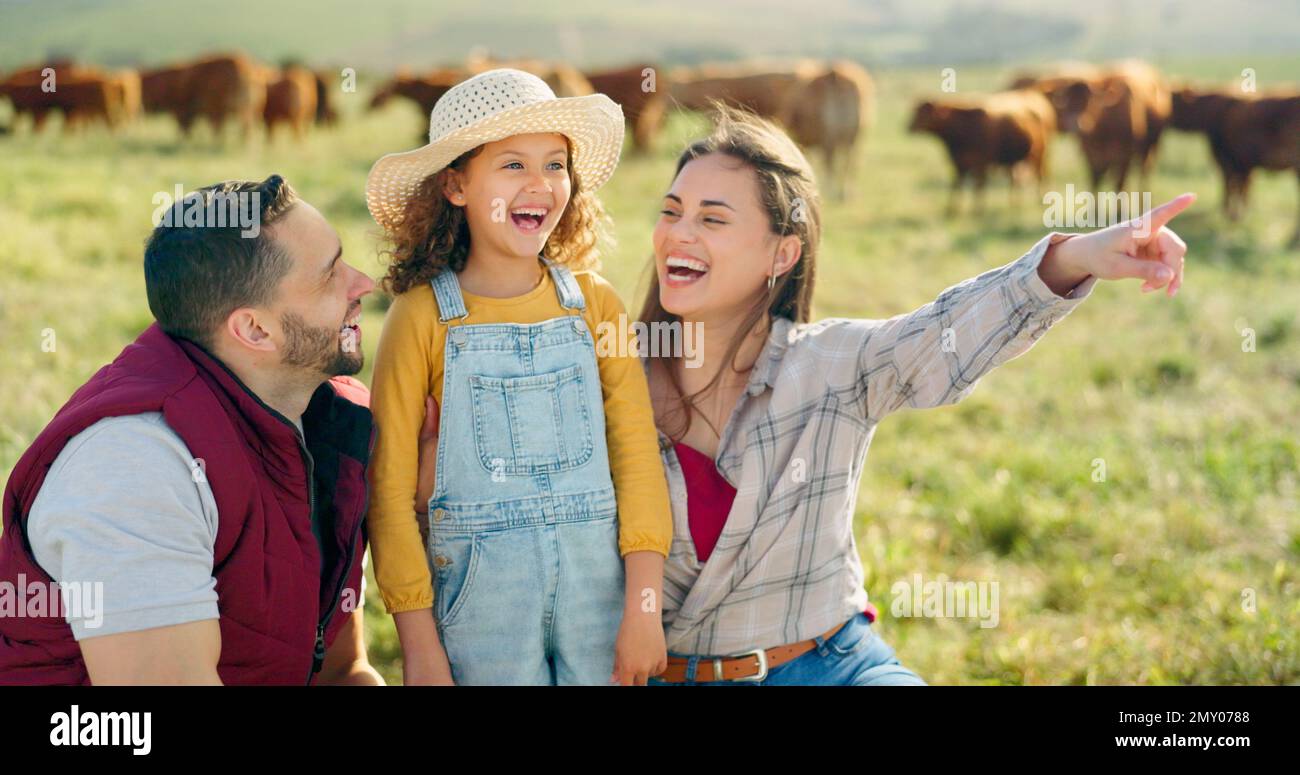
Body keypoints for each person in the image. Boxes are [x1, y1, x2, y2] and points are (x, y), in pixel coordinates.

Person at [634, 105, 1191, 685]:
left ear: (782, 254)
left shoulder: (829, 363)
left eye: (712, 219)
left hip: (829, 665)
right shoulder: (610, 381)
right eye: (671, 211)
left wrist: (1076, 257)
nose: (679, 232)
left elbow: (942, 336)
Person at [0, 175, 384, 685]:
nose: (363, 284)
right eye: (330, 274)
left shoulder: (323, 418)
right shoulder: (133, 470)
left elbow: (342, 671)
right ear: (254, 330)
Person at [365, 68, 672, 685]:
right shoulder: (420, 318)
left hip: (601, 600)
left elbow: (637, 454)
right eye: (513, 165)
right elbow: (390, 498)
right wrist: (420, 648)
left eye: (555, 164)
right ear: (456, 185)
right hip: (479, 609)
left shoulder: (596, 305)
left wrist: (644, 607)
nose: (541, 185)